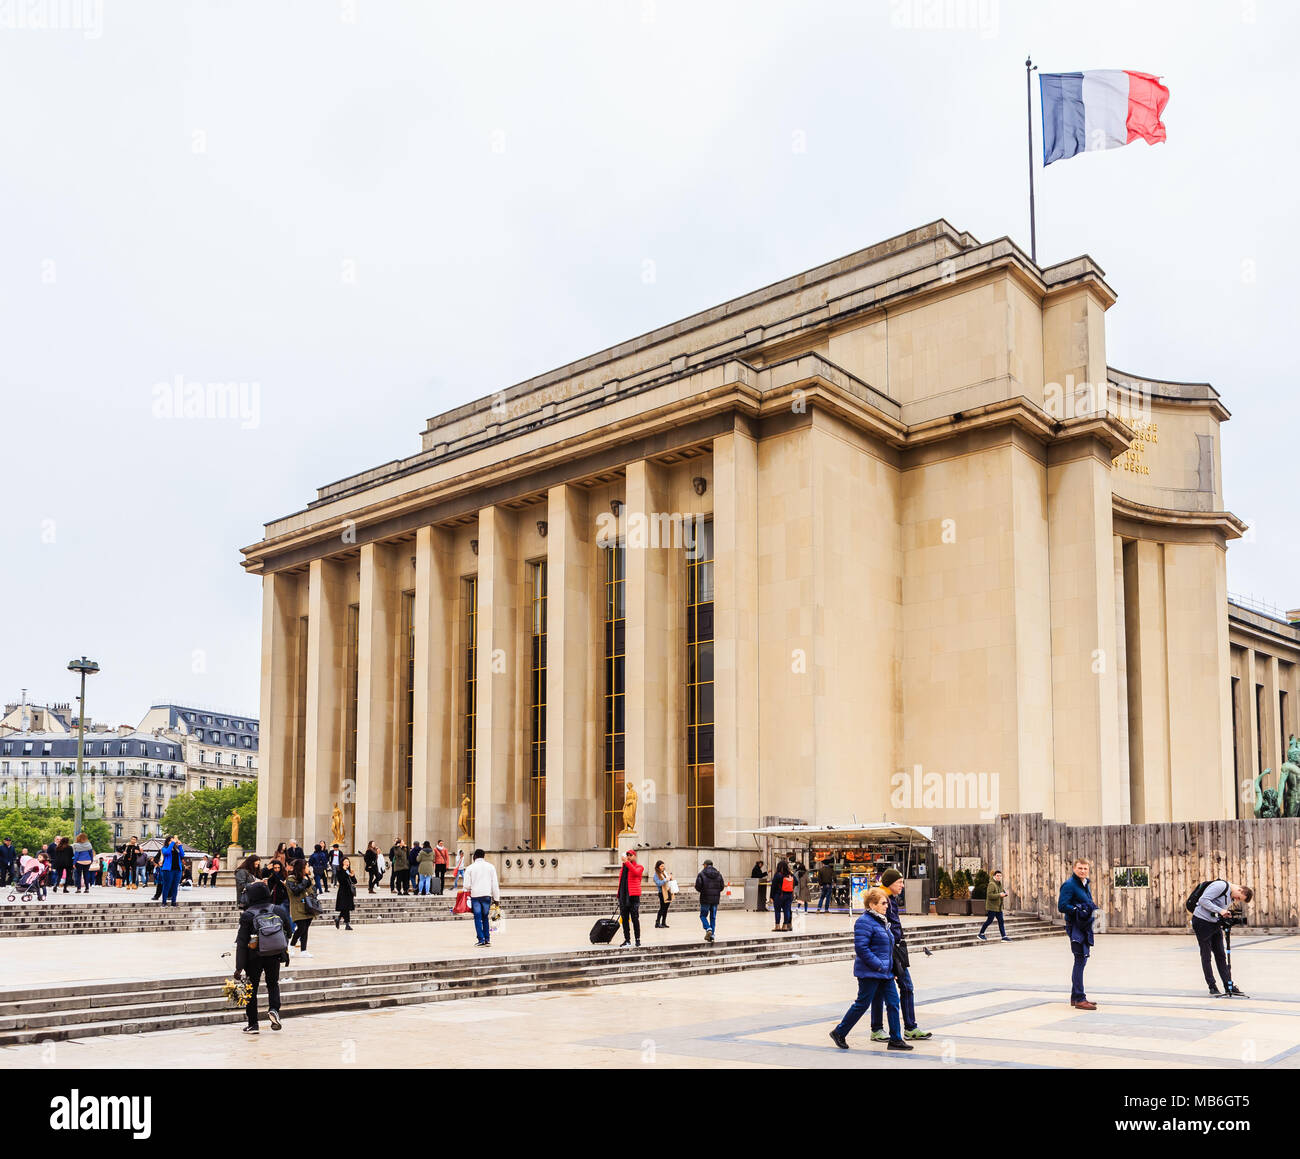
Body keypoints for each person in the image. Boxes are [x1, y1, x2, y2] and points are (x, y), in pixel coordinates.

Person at [829, 887, 913, 1051]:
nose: (887, 906)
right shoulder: (864, 922)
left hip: (886, 973)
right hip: (870, 972)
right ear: (872, 905)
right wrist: (879, 965)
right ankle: (839, 1032)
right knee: (862, 1004)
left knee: (893, 1003)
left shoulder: (882, 921)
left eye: (887, 903)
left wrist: (892, 969)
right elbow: (861, 948)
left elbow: (888, 948)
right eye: (883, 903)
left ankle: (895, 1039)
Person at [869, 868, 932, 1042]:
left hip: (896, 950)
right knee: (902, 987)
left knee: (888, 989)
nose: (902, 885)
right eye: (899, 882)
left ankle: (884, 1028)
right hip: (889, 952)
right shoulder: (881, 900)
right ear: (890, 883)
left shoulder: (890, 899)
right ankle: (904, 1028)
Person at [232, 879, 290, 1034]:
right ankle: (274, 1009)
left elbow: (242, 943)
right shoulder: (278, 910)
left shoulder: (248, 915)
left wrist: (239, 967)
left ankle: (253, 1024)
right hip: (274, 954)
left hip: (253, 957)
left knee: (251, 988)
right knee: (273, 984)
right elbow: (289, 931)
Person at [1191, 878, 1253, 996]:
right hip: (1202, 922)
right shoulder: (1220, 886)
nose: (1236, 900)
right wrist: (1220, 910)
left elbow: (1217, 908)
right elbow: (1203, 900)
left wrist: (1225, 915)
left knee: (1221, 955)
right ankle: (1212, 986)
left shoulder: (1231, 895)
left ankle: (1228, 985)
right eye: (1238, 897)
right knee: (1206, 955)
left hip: (1215, 923)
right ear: (1240, 890)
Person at [1058, 857, 1098, 1010]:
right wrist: (1077, 910)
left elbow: (1087, 902)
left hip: (1084, 925)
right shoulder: (1069, 885)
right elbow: (1062, 906)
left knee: (1081, 960)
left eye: (1085, 868)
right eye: (1080, 868)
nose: (1083, 871)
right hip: (1075, 926)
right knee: (1080, 959)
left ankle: (1075, 997)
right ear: (1074, 869)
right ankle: (1080, 998)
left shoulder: (1085, 883)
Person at [463, 848, 500, 947]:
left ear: (474, 857)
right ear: (484, 856)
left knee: (477, 918)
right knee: (485, 918)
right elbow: (495, 884)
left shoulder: (470, 868)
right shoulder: (491, 867)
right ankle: (487, 939)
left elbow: (466, 885)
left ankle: (481, 939)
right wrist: (496, 899)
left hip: (475, 896)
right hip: (487, 895)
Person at [286, 859, 318, 957]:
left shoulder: (307, 878)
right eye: (307, 866)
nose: (308, 868)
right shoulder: (291, 879)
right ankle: (291, 945)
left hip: (308, 906)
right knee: (301, 928)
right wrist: (304, 881)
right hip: (298, 907)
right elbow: (295, 890)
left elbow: (312, 890)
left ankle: (303, 950)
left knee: (306, 929)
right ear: (301, 868)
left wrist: (309, 880)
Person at [617, 849, 645, 948]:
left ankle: (637, 939)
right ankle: (627, 940)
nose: (628, 857)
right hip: (624, 897)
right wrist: (619, 895)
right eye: (627, 855)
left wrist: (627, 862)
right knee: (624, 920)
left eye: (630, 855)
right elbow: (621, 882)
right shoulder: (624, 868)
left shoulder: (639, 867)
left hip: (633, 896)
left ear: (635, 856)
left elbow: (636, 873)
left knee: (635, 918)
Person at [694, 858, 725, 943]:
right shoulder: (718, 874)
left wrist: (703, 891)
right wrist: (716, 892)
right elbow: (722, 886)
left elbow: (698, 886)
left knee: (703, 915)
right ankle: (712, 935)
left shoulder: (701, 874)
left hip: (705, 899)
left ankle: (708, 928)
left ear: (705, 865)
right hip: (715, 899)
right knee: (713, 917)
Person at [977, 870, 1011, 941]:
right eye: (997, 876)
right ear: (994, 876)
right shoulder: (991, 884)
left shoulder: (999, 884)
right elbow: (989, 896)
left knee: (1001, 921)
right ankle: (981, 933)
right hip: (992, 907)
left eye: (1000, 876)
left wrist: (1005, 894)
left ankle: (1004, 937)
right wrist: (999, 895)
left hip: (998, 907)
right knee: (989, 921)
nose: (999, 877)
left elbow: (1001, 892)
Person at [156, 835, 186, 906]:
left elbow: (182, 855)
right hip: (168, 870)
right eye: (171, 840)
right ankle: (164, 902)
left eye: (173, 840)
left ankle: (173, 902)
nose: (173, 841)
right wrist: (172, 843)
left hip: (177, 870)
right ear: (168, 841)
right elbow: (167, 853)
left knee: (175, 886)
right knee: (166, 886)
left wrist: (180, 846)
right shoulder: (164, 848)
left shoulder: (176, 849)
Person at [770, 858, 795, 932]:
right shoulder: (790, 874)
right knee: (787, 911)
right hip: (789, 895)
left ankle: (777, 926)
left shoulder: (777, 875)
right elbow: (796, 882)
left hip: (779, 895)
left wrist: (771, 896)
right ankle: (785, 926)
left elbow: (773, 886)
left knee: (777, 911)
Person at [334, 856, 357, 930]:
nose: (347, 863)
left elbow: (354, 881)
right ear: (342, 863)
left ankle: (339, 918)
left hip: (349, 892)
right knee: (345, 907)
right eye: (345, 862)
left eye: (348, 862)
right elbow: (341, 880)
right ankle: (347, 924)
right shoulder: (339, 870)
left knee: (346, 908)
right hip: (343, 891)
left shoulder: (349, 871)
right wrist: (344, 871)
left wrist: (352, 876)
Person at [652, 860, 674, 928]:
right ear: (658, 867)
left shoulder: (664, 873)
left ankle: (663, 922)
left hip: (667, 892)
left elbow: (667, 882)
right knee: (662, 908)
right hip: (662, 893)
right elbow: (658, 883)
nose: (663, 867)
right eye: (661, 866)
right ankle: (657, 922)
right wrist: (665, 879)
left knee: (666, 908)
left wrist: (670, 878)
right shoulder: (656, 875)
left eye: (663, 866)